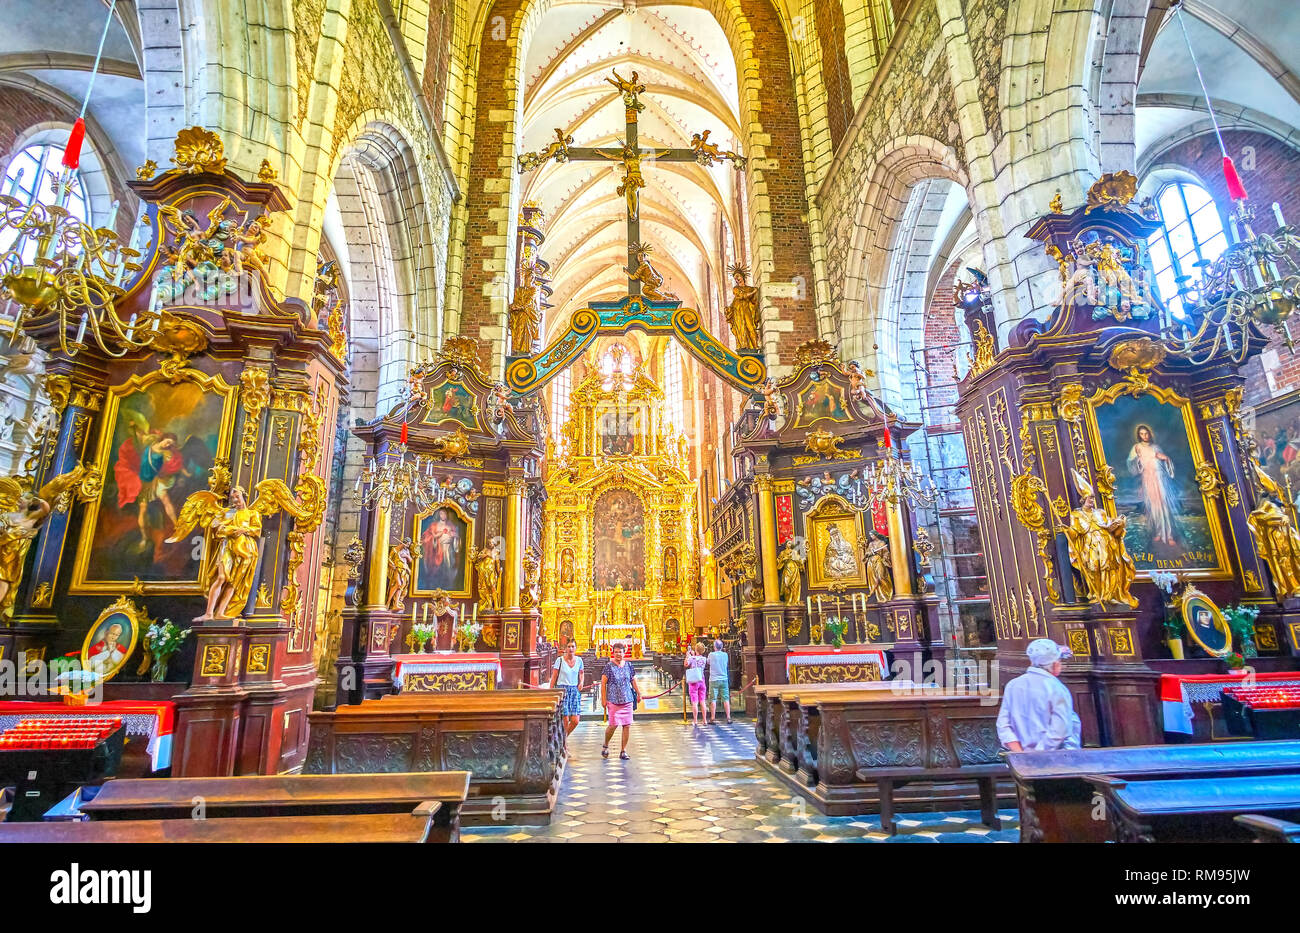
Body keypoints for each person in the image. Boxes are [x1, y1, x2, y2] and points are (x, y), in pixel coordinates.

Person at [996, 639, 1081, 752]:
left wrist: (1020, 754)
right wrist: (1037, 755)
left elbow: (1003, 725)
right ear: (1055, 664)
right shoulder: (1056, 688)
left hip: (1022, 762)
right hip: (1055, 760)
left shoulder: (1013, 685)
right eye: (1060, 661)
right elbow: (1060, 730)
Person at [1126, 423, 1180, 547]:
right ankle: (1160, 533)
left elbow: (1166, 462)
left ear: (1150, 434)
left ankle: (1169, 535)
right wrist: (1138, 460)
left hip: (1159, 478)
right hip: (1148, 479)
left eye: (1146, 433)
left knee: (1164, 505)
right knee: (1154, 506)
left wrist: (1165, 458)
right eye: (1141, 434)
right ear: (1139, 435)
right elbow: (1131, 463)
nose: (1144, 436)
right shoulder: (1137, 447)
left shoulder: (1156, 447)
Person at [601, 642, 636, 759]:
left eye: (620, 652)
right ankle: (606, 745)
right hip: (613, 699)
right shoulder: (609, 666)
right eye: (616, 652)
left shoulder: (629, 665)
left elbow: (633, 680)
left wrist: (639, 692)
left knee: (627, 725)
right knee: (613, 725)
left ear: (624, 652)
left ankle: (623, 750)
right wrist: (604, 699)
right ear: (613, 653)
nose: (618, 654)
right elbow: (603, 683)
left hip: (627, 699)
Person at [550, 639, 585, 741]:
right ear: (565, 648)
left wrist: (581, 682)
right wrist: (551, 691)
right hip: (562, 690)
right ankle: (564, 745)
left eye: (573, 646)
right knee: (565, 719)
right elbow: (554, 676)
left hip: (574, 691)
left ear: (576, 648)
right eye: (569, 646)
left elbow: (581, 672)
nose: (571, 649)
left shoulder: (579, 660)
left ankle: (562, 740)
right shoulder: (559, 660)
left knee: (575, 720)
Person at [706, 639, 731, 724]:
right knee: (726, 698)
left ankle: (713, 718)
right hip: (724, 678)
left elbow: (708, 662)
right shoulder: (725, 655)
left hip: (714, 679)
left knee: (713, 699)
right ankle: (728, 717)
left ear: (714, 647)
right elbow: (726, 663)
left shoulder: (711, 654)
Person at [683, 643, 707, 725]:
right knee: (703, 701)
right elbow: (698, 659)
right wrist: (693, 655)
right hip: (702, 680)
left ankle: (695, 720)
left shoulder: (691, 658)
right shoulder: (704, 659)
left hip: (693, 681)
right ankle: (704, 720)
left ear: (696, 650)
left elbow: (686, 664)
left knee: (694, 702)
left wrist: (687, 656)